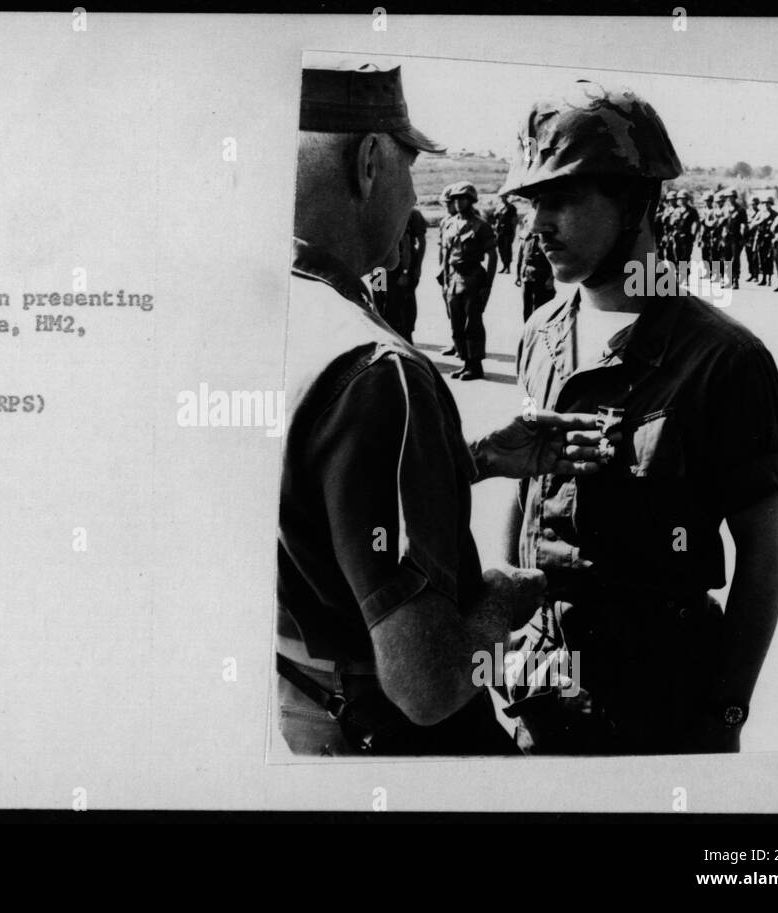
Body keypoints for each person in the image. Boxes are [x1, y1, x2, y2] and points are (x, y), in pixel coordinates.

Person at [278, 63, 609, 757]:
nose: (412, 191)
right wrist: (509, 594)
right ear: (371, 161)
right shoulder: (381, 373)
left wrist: (476, 458)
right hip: (386, 740)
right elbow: (427, 685)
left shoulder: (270, 308)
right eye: (408, 164)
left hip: (302, 707)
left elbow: (318, 498)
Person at [496, 79, 778, 755]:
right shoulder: (541, 332)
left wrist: (725, 713)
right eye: (532, 204)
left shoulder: (725, 359)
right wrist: (510, 637)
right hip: (541, 694)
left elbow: (763, 553)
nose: (539, 226)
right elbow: (525, 492)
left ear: (634, 201)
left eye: (561, 200)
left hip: (660, 708)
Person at [437, 181, 497, 380]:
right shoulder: (451, 224)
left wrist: (487, 285)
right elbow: (446, 255)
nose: (458, 203)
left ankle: (475, 365)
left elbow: (492, 256)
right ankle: (465, 362)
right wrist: (445, 281)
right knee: (456, 323)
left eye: (462, 199)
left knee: (472, 324)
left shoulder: (481, 226)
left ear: (471, 201)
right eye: (455, 199)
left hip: (473, 278)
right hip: (453, 279)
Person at [372, 207, 427, 344]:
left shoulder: (409, 213)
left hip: (398, 268)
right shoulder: (376, 211)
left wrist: (407, 271)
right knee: (379, 303)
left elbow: (410, 245)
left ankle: (405, 340)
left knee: (401, 304)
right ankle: (387, 338)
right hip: (379, 270)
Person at [514, 208, 555, 324]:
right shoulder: (525, 240)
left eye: (529, 222)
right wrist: (518, 276)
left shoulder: (544, 240)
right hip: (527, 277)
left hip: (541, 276)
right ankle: (527, 329)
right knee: (526, 306)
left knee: (540, 306)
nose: (527, 225)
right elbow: (520, 259)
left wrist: (550, 278)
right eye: (526, 222)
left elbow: (552, 260)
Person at [493, 196, 518, 274]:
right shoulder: (499, 207)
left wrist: (514, 231)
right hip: (500, 231)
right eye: (501, 197)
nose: (502, 198)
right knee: (501, 249)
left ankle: (508, 267)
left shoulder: (511, 207)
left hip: (508, 230)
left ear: (507, 197)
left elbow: (514, 220)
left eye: (504, 197)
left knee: (507, 249)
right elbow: (496, 218)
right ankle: (504, 266)